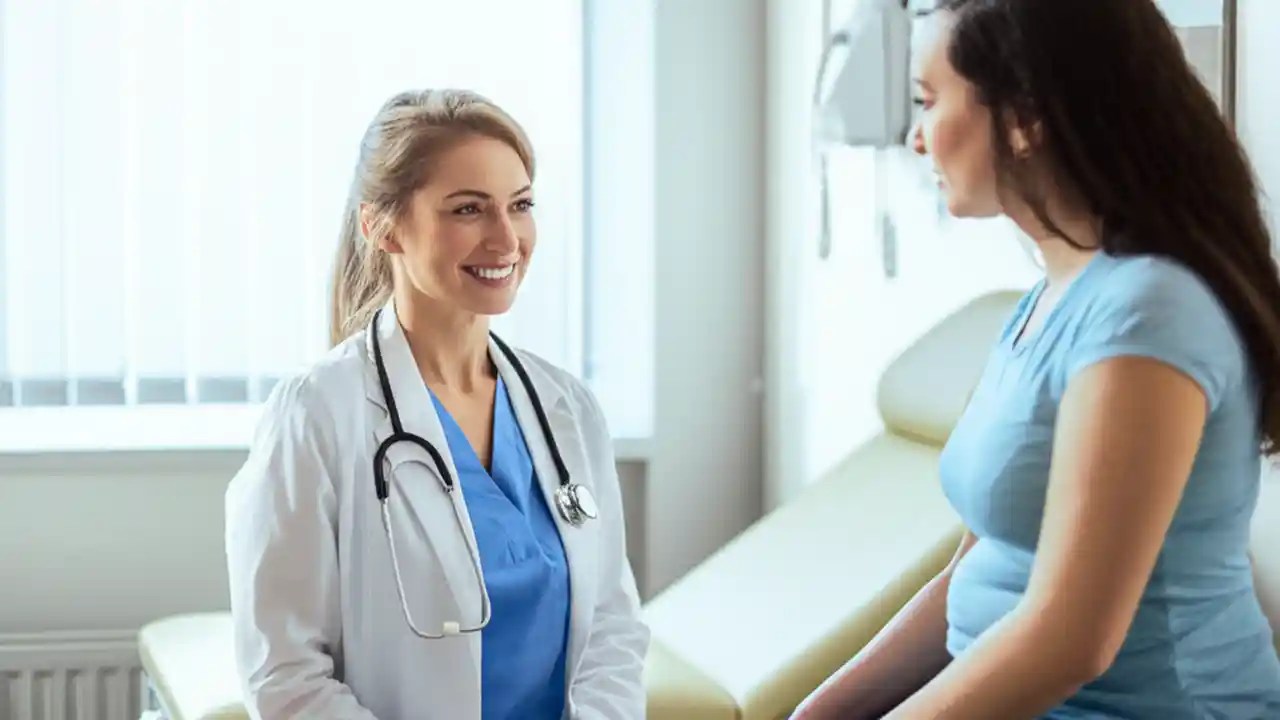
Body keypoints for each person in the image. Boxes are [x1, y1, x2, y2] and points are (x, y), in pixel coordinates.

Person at [793, 2, 1280, 718]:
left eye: (928, 102)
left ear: (1023, 117)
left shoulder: (1151, 310)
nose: (914, 138)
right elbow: (979, 564)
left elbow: (1070, 641)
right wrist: (821, 711)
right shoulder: (1051, 297)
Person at [225, 89, 649, 720]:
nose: (506, 238)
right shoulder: (317, 415)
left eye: (521, 205)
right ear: (381, 226)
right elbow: (285, 674)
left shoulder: (567, 409)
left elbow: (612, 632)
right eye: (468, 210)